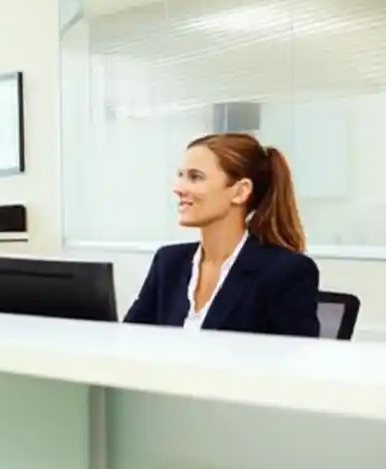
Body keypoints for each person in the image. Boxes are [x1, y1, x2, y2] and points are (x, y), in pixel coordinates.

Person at [124, 133, 320, 336]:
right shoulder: (168, 262)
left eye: (195, 177)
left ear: (240, 191)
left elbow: (293, 362)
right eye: (180, 176)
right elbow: (129, 340)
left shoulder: (284, 271)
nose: (178, 188)